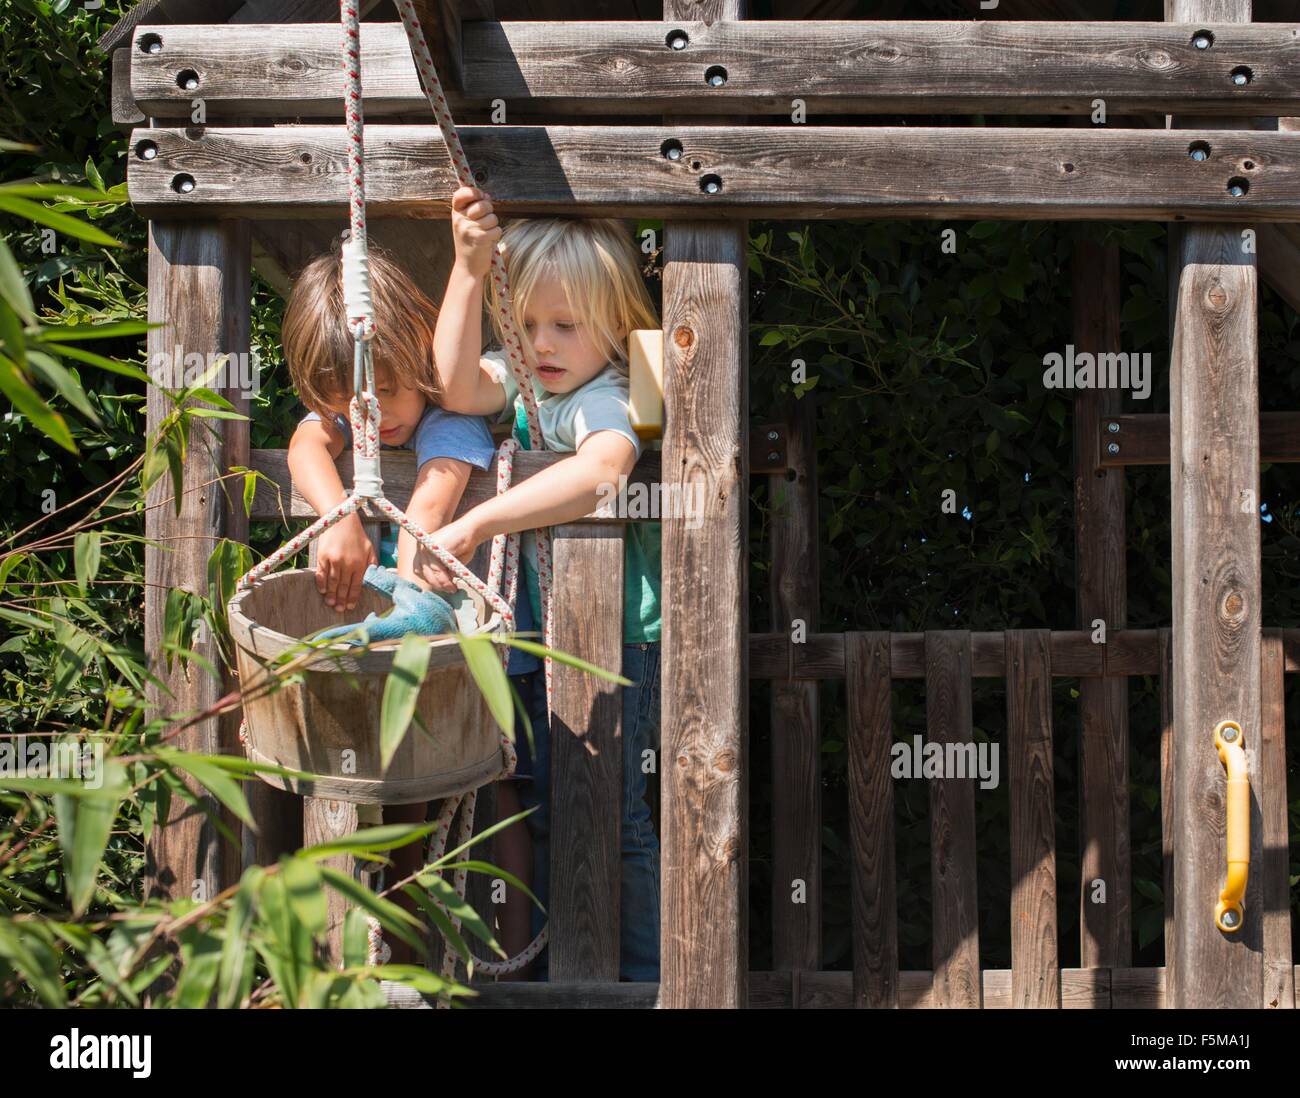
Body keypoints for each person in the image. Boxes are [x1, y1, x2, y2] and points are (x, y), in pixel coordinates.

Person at [428, 187, 663, 981]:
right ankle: (569, 969)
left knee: (614, 815)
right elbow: (458, 388)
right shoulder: (535, 387)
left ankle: (640, 978)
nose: (542, 344)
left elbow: (602, 471)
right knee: (559, 803)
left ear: (616, 322)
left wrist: (478, 523)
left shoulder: (600, 396)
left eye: (565, 325)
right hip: (557, 638)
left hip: (622, 639)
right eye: (525, 325)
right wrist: (467, 273)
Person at [281, 238, 499, 966]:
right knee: (366, 805)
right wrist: (338, 514)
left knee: (438, 810)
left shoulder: (448, 416)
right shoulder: (354, 415)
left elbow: (432, 502)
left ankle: (422, 958)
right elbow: (306, 442)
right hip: (379, 673)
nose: (371, 421)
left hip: (444, 664)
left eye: (386, 396)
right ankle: (360, 957)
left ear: (417, 352)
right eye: (347, 408)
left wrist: (411, 539)